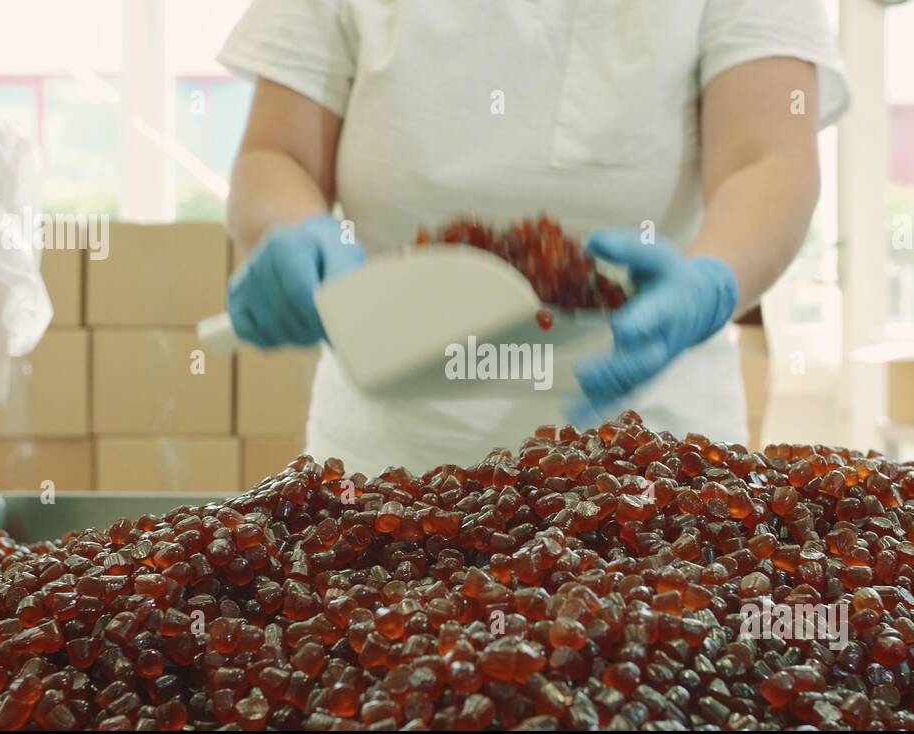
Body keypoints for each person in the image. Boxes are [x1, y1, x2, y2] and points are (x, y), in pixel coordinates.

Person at [219, 0, 848, 475]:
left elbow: (770, 159)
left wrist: (714, 277)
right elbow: (278, 155)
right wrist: (292, 230)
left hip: (653, 470)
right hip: (386, 473)